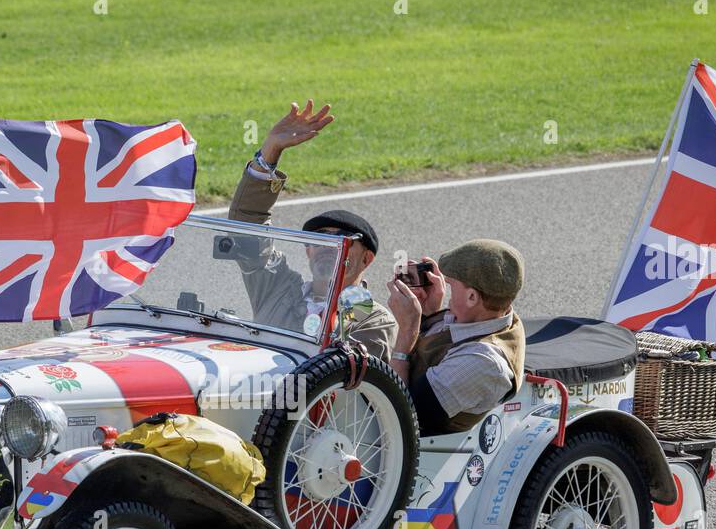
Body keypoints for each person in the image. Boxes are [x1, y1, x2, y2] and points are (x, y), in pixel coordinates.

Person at [225, 100, 398, 359]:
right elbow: (246, 231)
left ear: (367, 258)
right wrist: (270, 151)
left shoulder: (374, 320)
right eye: (319, 238)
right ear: (308, 250)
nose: (330, 244)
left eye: (341, 238)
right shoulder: (277, 288)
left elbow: (342, 382)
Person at [385, 241, 527, 435]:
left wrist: (407, 330)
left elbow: (399, 414)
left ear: (471, 297)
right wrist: (429, 313)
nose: (448, 295)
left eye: (452, 286)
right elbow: (441, 345)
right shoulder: (494, 313)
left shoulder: (483, 363)